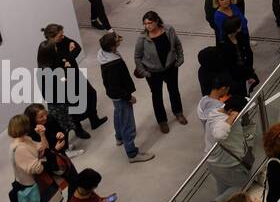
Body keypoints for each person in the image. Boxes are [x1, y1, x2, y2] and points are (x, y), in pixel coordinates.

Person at [8, 113, 67, 202]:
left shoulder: (25, 140)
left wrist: (42, 135)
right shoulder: (20, 148)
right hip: (33, 186)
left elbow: (42, 149)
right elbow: (37, 168)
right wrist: (52, 154)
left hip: (36, 185)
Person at [96, 31, 154, 163]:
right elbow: (116, 86)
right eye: (117, 40)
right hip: (121, 96)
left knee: (118, 115)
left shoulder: (103, 54)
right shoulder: (113, 64)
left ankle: (119, 137)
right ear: (112, 47)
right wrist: (129, 97)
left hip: (115, 96)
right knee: (128, 123)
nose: (119, 41)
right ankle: (132, 153)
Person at [43, 22, 105, 135]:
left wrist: (67, 57)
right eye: (60, 36)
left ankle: (94, 119)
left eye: (62, 34)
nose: (63, 37)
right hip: (64, 81)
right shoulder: (47, 49)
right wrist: (67, 58)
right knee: (73, 104)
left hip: (74, 74)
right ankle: (78, 129)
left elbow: (77, 47)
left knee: (90, 94)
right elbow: (53, 68)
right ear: (51, 38)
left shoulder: (62, 40)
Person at [199, 79, 253, 202]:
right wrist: (233, 117)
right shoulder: (223, 121)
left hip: (214, 162)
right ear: (231, 111)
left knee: (223, 185)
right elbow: (219, 134)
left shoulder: (216, 112)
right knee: (244, 183)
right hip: (225, 164)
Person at [133, 11, 187, 132]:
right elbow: (137, 56)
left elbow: (177, 44)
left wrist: (180, 58)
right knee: (157, 96)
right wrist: (143, 72)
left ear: (157, 21)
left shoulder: (169, 30)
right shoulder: (142, 39)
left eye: (150, 23)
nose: (148, 26)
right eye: (145, 24)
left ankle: (178, 112)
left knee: (174, 90)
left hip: (170, 68)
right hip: (152, 73)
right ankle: (162, 121)